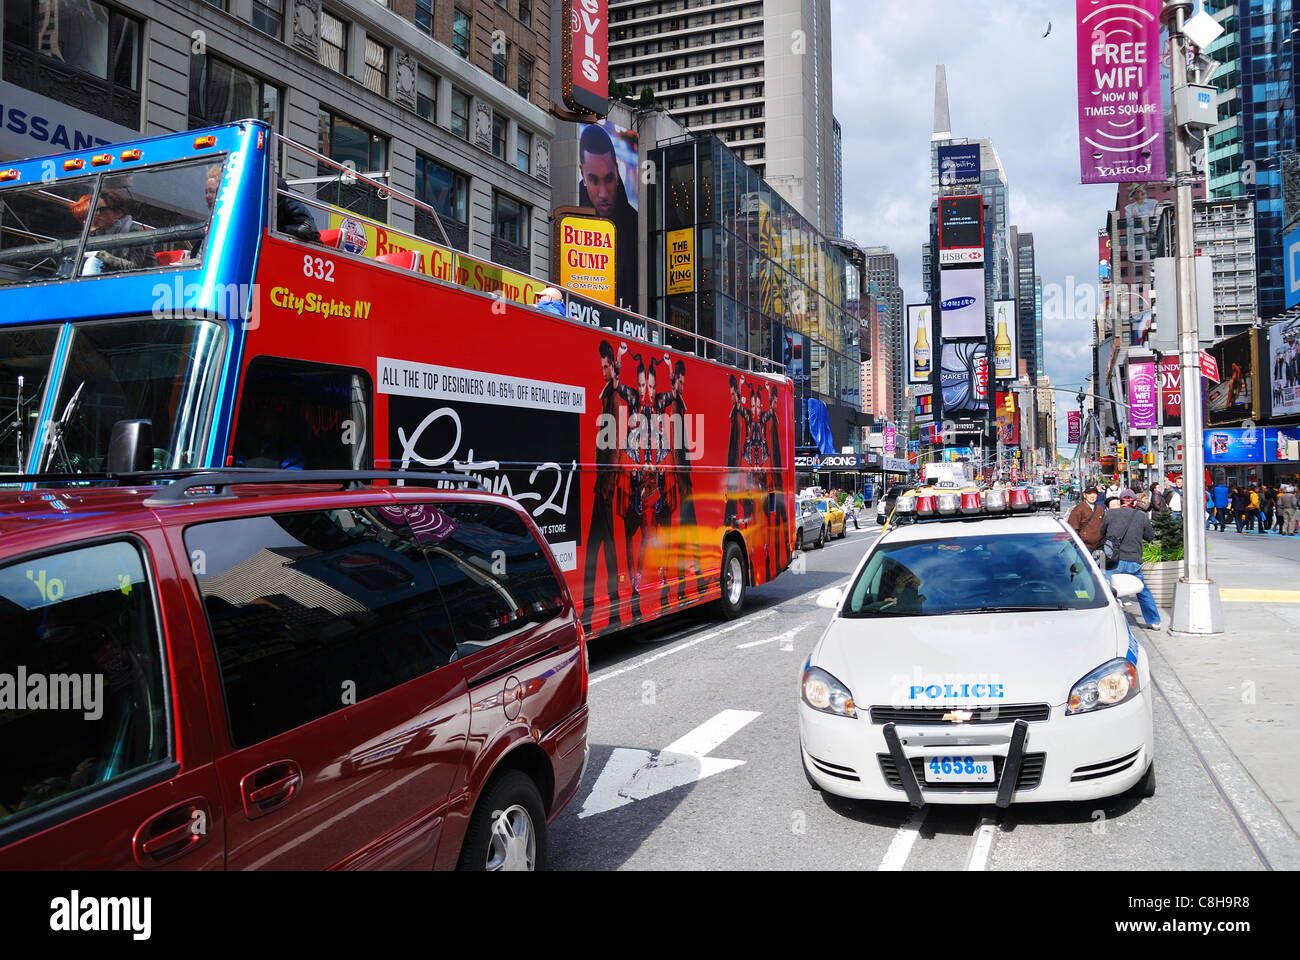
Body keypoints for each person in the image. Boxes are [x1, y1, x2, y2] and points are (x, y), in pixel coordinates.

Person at [578, 123, 638, 309]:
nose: (603, 193)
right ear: (582, 174)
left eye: (609, 178)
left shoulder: (634, 223)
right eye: (594, 180)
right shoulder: (572, 216)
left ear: (617, 171)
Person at [1100, 489, 1161, 630]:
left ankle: (1106, 620)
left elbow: (1101, 532)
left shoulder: (1110, 514)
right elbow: (1150, 537)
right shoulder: (1142, 516)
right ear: (1134, 502)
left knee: (1107, 590)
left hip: (1113, 559)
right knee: (1142, 590)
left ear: (1120, 501)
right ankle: (1154, 620)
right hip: (1133, 560)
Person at [1067, 485, 1107, 564]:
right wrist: (1079, 544)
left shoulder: (1100, 509)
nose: (1092, 496)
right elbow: (1072, 529)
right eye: (1089, 494)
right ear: (1085, 495)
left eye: (1094, 494)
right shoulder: (1078, 509)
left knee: (1101, 571)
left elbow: (1105, 526)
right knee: (1086, 572)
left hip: (1099, 547)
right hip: (1084, 548)